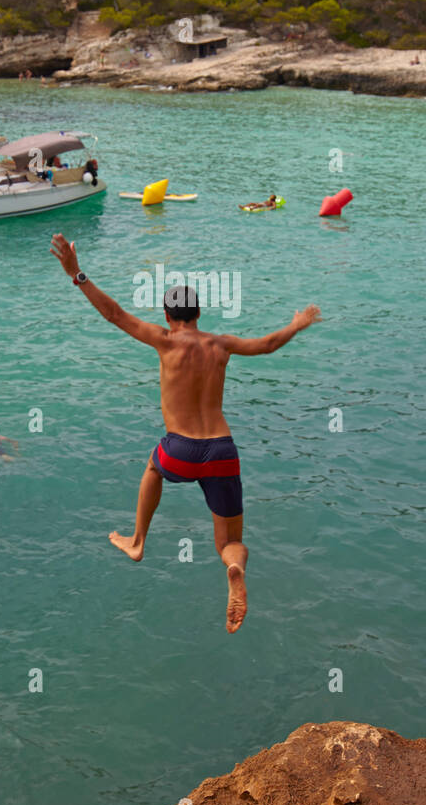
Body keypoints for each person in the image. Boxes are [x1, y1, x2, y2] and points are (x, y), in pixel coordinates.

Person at [50, 233, 321, 633]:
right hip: (222, 451)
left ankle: (139, 540)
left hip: (180, 449)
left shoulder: (164, 341)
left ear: (167, 316)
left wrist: (78, 275)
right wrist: (297, 323)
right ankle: (233, 568)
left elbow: (114, 313)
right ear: (198, 314)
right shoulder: (221, 344)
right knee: (228, 540)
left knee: (153, 467)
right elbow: (266, 345)